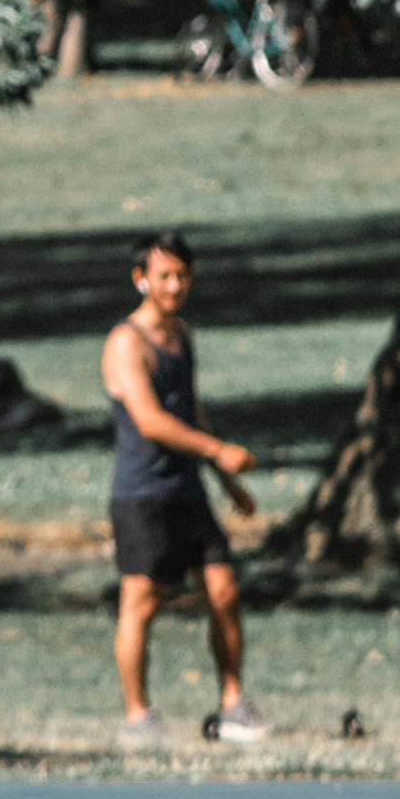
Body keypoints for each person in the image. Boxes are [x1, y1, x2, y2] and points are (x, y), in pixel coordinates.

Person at [102, 235, 263, 743]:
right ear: (141, 279)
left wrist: (226, 482)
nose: (174, 286)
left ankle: (234, 702)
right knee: (142, 600)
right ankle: (138, 714)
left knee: (224, 591)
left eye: (182, 276)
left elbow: (190, 411)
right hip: (142, 492)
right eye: (164, 275)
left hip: (189, 488)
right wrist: (216, 450)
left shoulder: (181, 337)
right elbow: (149, 420)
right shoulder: (126, 343)